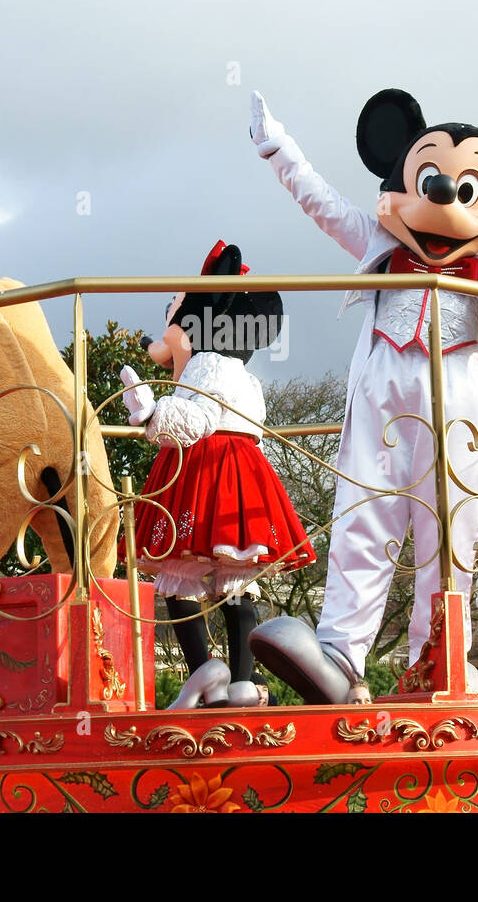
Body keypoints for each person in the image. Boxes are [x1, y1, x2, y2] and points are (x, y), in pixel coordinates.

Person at [121, 241, 312, 708]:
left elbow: (199, 420)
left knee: (180, 573)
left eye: (173, 314)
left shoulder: (206, 366)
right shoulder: (245, 375)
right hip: (244, 475)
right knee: (236, 578)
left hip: (202, 470)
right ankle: (241, 681)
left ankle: (205, 671)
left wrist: (152, 414)